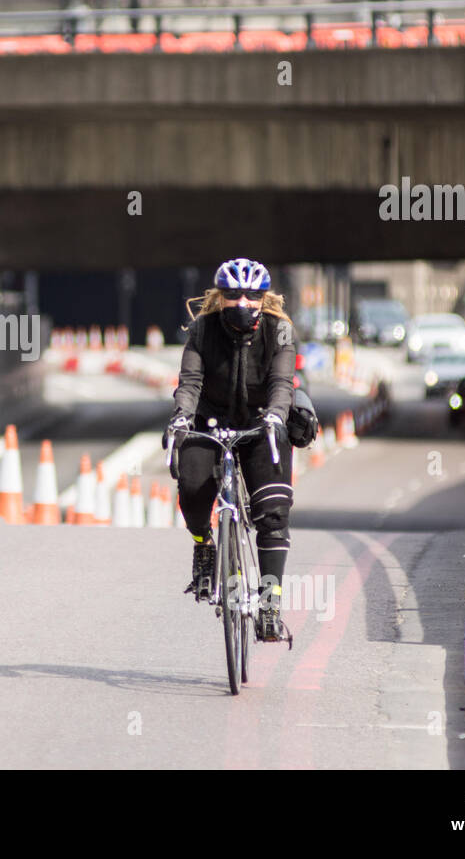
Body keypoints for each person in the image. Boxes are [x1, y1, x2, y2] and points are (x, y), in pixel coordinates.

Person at [163, 258, 295, 643]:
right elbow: (189, 382)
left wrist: (275, 416)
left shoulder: (279, 330)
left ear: (263, 298)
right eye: (233, 295)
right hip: (210, 422)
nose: (243, 302)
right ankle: (205, 546)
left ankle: (270, 601)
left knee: (272, 513)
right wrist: (182, 417)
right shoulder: (202, 331)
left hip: (260, 424)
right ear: (219, 298)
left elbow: (281, 382)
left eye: (252, 295)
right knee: (191, 487)